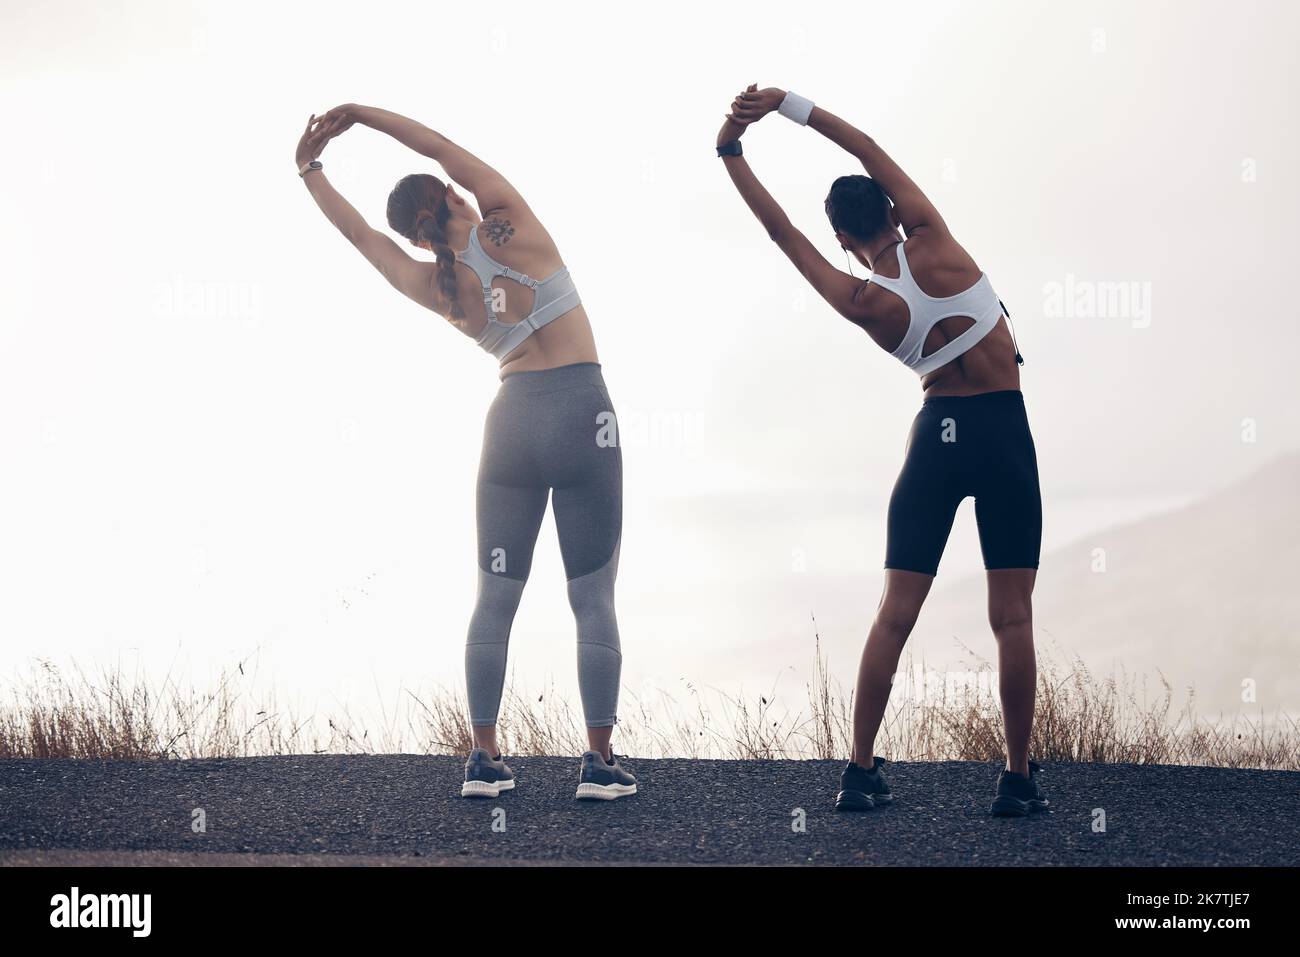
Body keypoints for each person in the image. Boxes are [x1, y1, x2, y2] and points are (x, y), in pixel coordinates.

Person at [718, 86, 1047, 817]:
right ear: (892, 212)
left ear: (842, 241)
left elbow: (780, 235)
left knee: (895, 611)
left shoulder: (860, 299)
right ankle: (1017, 780)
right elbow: (862, 145)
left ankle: (859, 772)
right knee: (1013, 615)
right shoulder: (932, 233)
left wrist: (730, 150)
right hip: (1000, 430)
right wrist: (784, 105)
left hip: (937, 439)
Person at [294, 106, 636, 801]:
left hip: (509, 426)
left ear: (414, 234)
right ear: (449, 195)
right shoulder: (506, 218)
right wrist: (359, 115)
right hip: (581, 410)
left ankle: (483, 760)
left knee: (494, 598)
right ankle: (598, 765)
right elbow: (439, 144)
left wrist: (310, 168)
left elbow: (358, 235)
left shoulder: (434, 285)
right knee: (591, 595)